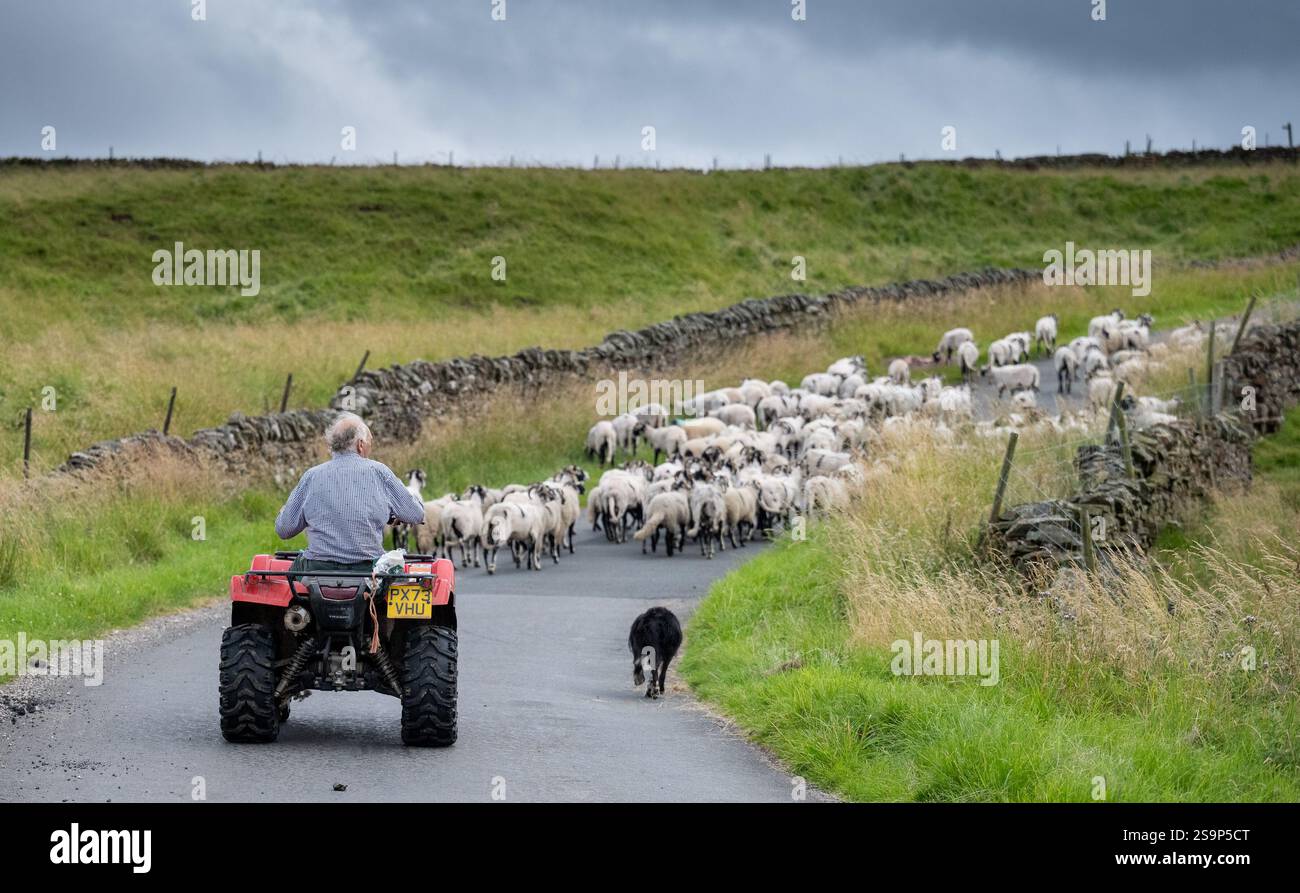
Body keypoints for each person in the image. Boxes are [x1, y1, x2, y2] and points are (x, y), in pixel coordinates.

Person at [275, 412, 425, 573]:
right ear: (360, 444)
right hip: (368, 571)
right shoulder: (380, 472)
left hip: (317, 571)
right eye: (370, 442)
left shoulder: (311, 476)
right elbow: (416, 514)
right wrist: (391, 514)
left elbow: (284, 529)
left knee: (294, 568)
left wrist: (286, 511)